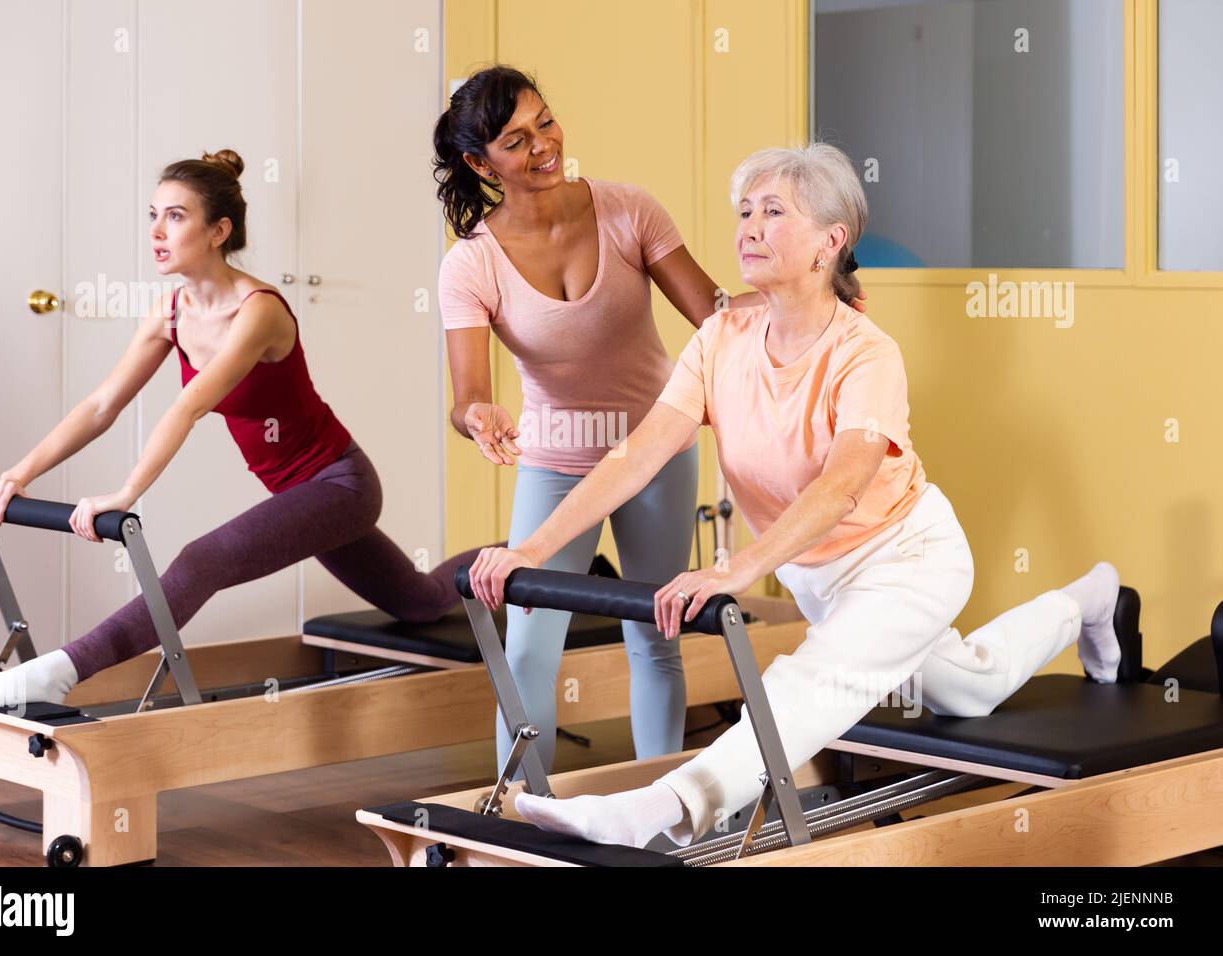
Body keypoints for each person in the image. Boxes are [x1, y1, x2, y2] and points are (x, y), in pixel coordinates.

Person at [466, 142, 1121, 848]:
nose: (748, 226)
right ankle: (1087, 600)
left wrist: (733, 570)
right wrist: (529, 546)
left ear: (828, 242)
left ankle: (659, 810)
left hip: (909, 560)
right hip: (818, 575)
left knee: (807, 682)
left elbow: (841, 488)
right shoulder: (721, 338)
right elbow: (638, 452)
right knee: (968, 687)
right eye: (744, 211)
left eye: (774, 212)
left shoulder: (867, 355)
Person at [434, 66, 865, 774]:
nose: (543, 144)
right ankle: (522, 808)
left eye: (546, 121)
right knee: (528, 652)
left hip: (657, 451)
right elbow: (467, 395)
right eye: (516, 140)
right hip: (558, 461)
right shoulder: (471, 265)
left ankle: (660, 808)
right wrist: (477, 414)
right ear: (481, 164)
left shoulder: (627, 210)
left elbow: (715, 313)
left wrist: (824, 297)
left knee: (655, 637)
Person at [0, 149, 484, 709]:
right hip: (295, 492)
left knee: (202, 562)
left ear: (218, 230)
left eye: (175, 217)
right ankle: (519, 554)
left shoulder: (258, 311)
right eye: (153, 215)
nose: (157, 231)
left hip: (339, 486)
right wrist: (17, 474)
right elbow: (104, 404)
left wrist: (127, 493)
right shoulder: (171, 312)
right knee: (422, 601)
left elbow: (188, 407)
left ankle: (59, 670)